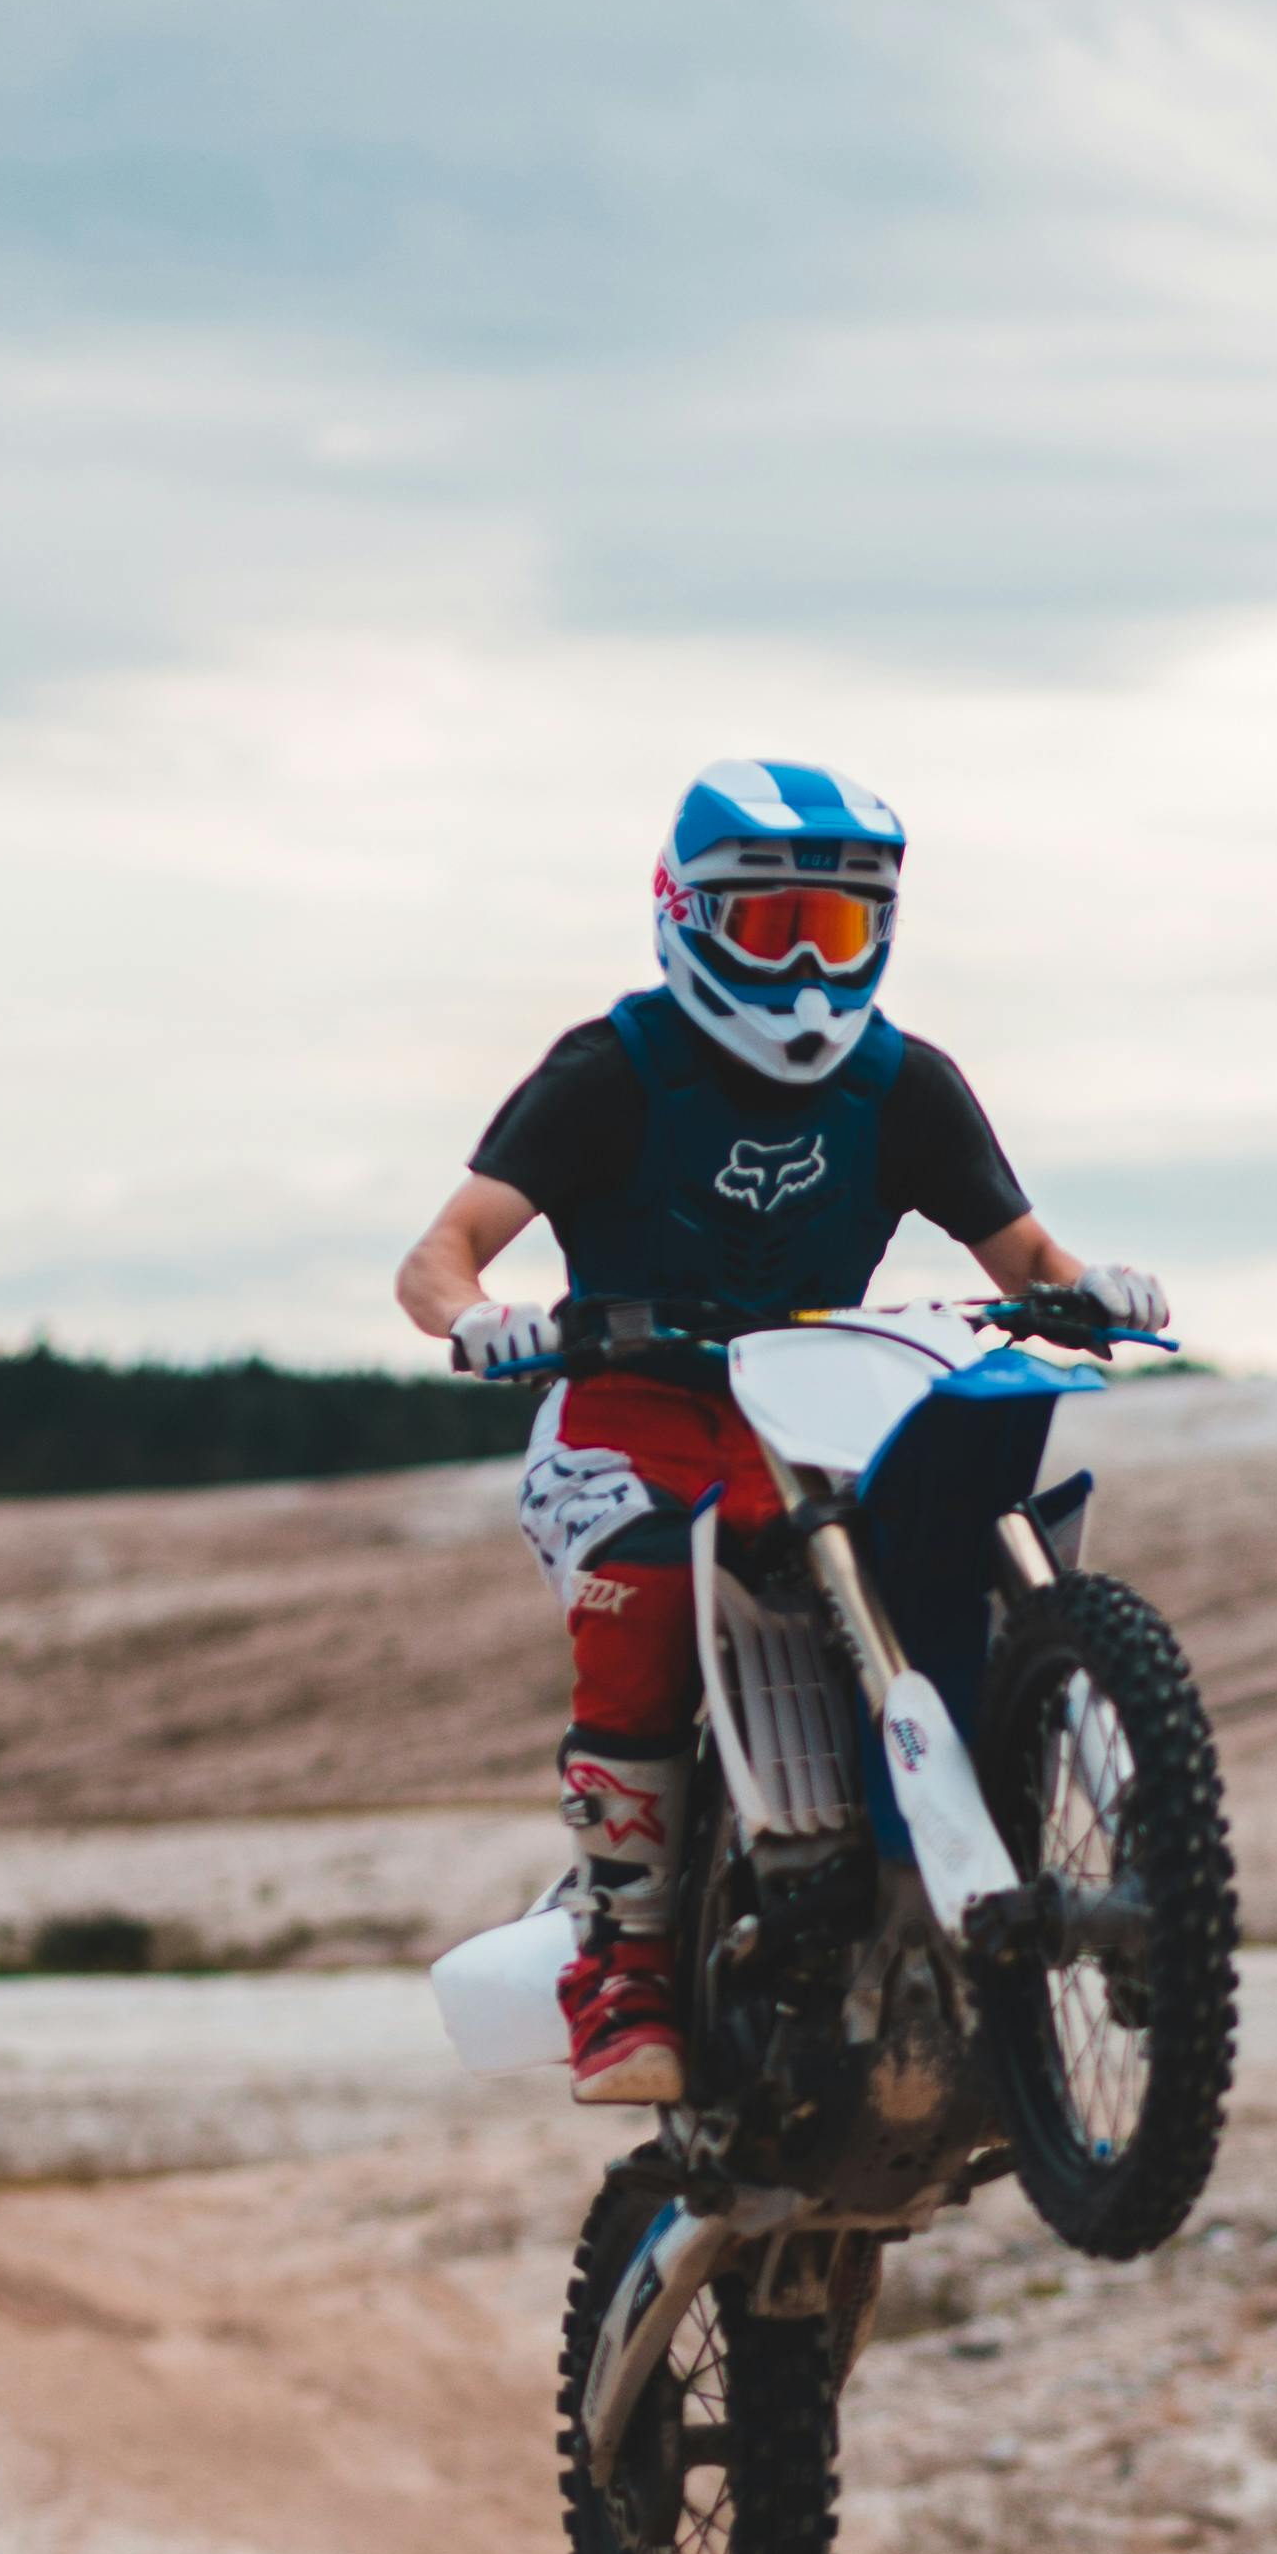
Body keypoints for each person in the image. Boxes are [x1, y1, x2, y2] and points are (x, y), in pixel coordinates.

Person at [397, 758, 1167, 2104]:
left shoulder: (903, 1084)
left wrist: (1085, 1291)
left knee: (957, 1560)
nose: (810, 963)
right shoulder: (612, 1071)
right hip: (628, 1412)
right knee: (635, 1587)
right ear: (688, 918)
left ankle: (1069, 1878)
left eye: (842, 928)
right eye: (772, 928)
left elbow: (1023, 1250)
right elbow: (443, 1252)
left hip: (815, 1416)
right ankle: (621, 1970)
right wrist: (480, 1318)